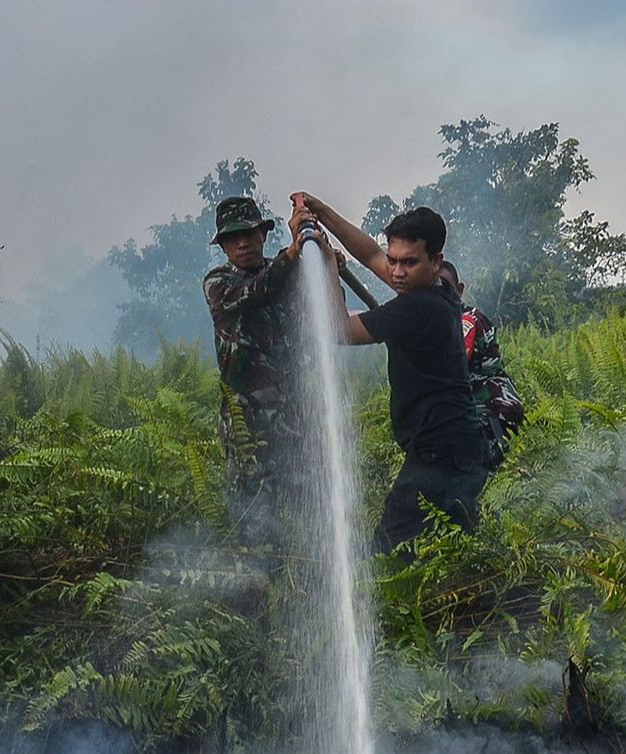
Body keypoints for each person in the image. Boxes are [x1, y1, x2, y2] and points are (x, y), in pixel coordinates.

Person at [294, 196, 490, 556]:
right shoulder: (441, 290)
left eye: (409, 263)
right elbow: (370, 255)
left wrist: (326, 265)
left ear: (436, 261)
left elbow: (337, 331)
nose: (397, 272)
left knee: (387, 556)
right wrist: (324, 214)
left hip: (438, 456)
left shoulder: (418, 306)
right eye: (394, 260)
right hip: (460, 449)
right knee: (455, 555)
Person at [202, 196, 312, 547]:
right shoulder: (219, 283)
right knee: (254, 522)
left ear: (264, 234)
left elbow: (322, 303)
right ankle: (257, 591)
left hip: (294, 419)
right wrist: (293, 255)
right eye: (233, 238)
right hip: (247, 428)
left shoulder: (288, 271)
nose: (243, 242)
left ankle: (303, 580)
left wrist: (322, 262)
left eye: (250, 233)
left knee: (306, 513)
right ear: (223, 245)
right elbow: (257, 290)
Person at [439, 260, 524, 467]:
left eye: (444, 287)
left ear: (459, 290)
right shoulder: (441, 322)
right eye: (431, 289)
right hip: (471, 419)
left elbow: (450, 364)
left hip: (490, 417)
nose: (438, 294)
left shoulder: (468, 320)